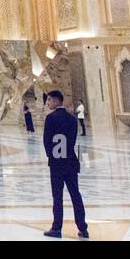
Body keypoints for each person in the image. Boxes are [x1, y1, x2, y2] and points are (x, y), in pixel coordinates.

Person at [42, 90, 88, 239]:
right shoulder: (72, 119)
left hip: (56, 163)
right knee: (76, 195)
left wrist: (52, 156)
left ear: (56, 101)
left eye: (49, 100)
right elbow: (73, 141)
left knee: (58, 197)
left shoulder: (50, 118)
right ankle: (83, 228)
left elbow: (47, 142)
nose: (48, 103)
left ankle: (56, 228)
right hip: (70, 161)